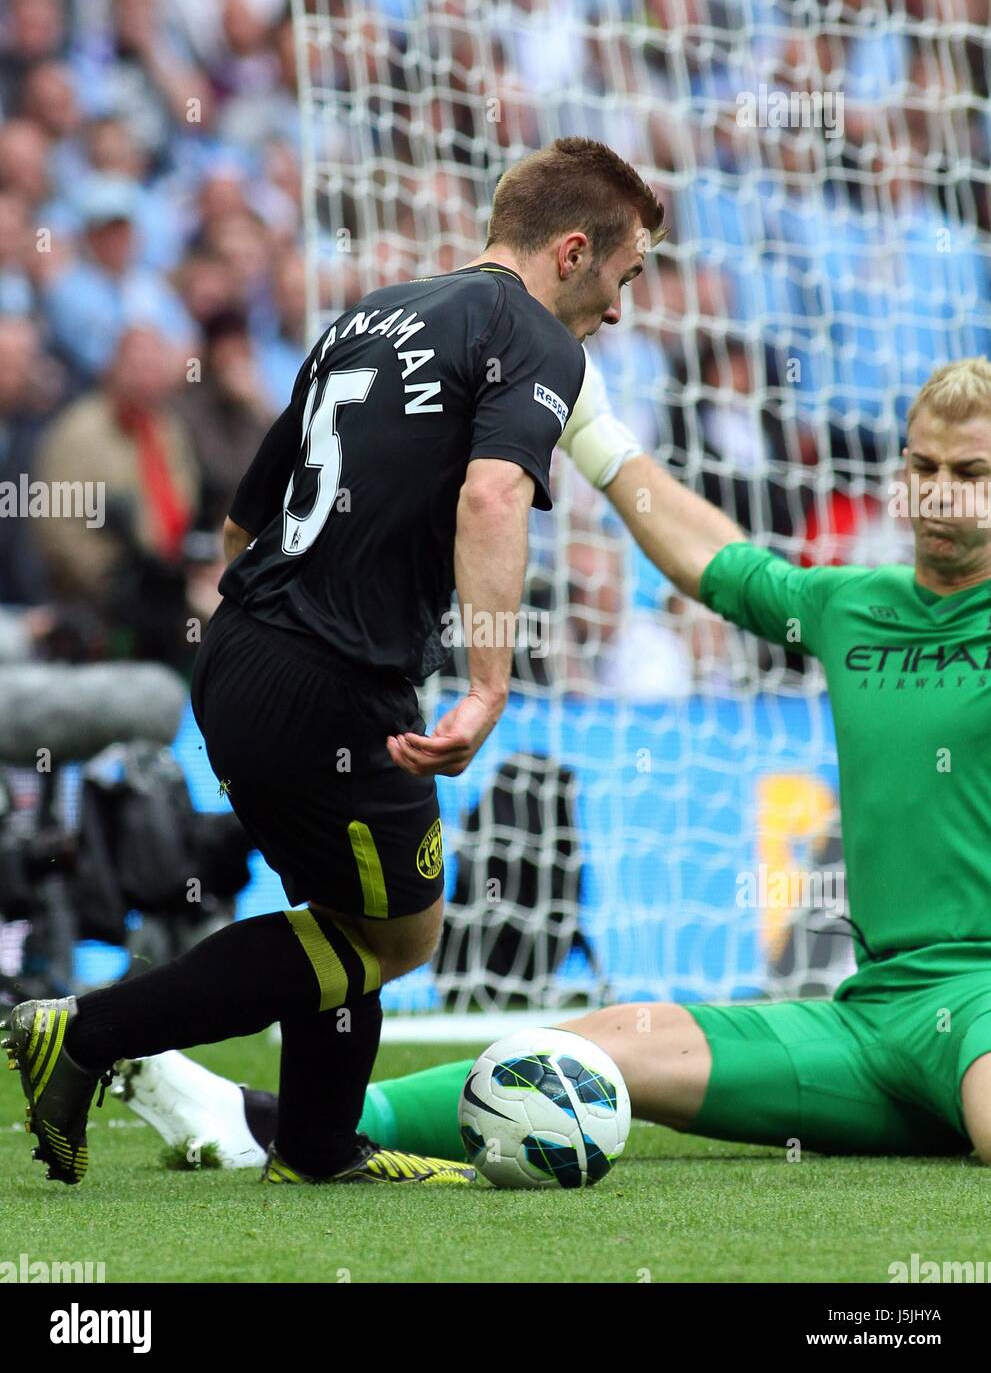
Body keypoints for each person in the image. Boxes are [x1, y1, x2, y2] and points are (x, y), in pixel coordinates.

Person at [114, 354, 991, 1170]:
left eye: (970, 475)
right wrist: (595, 435)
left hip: (980, 1008)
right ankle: (260, 1124)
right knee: (576, 1054)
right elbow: (717, 565)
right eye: (925, 469)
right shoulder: (850, 605)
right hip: (872, 1023)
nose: (941, 496)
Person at [1, 137, 664, 1187]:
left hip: (243, 652)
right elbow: (492, 495)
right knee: (401, 936)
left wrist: (266, 631)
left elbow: (237, 523)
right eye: (625, 276)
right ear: (573, 252)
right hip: (332, 681)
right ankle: (84, 1031)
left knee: (342, 911)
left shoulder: (370, 314)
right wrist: (488, 686)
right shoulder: (530, 333)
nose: (621, 308)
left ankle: (314, 1144)